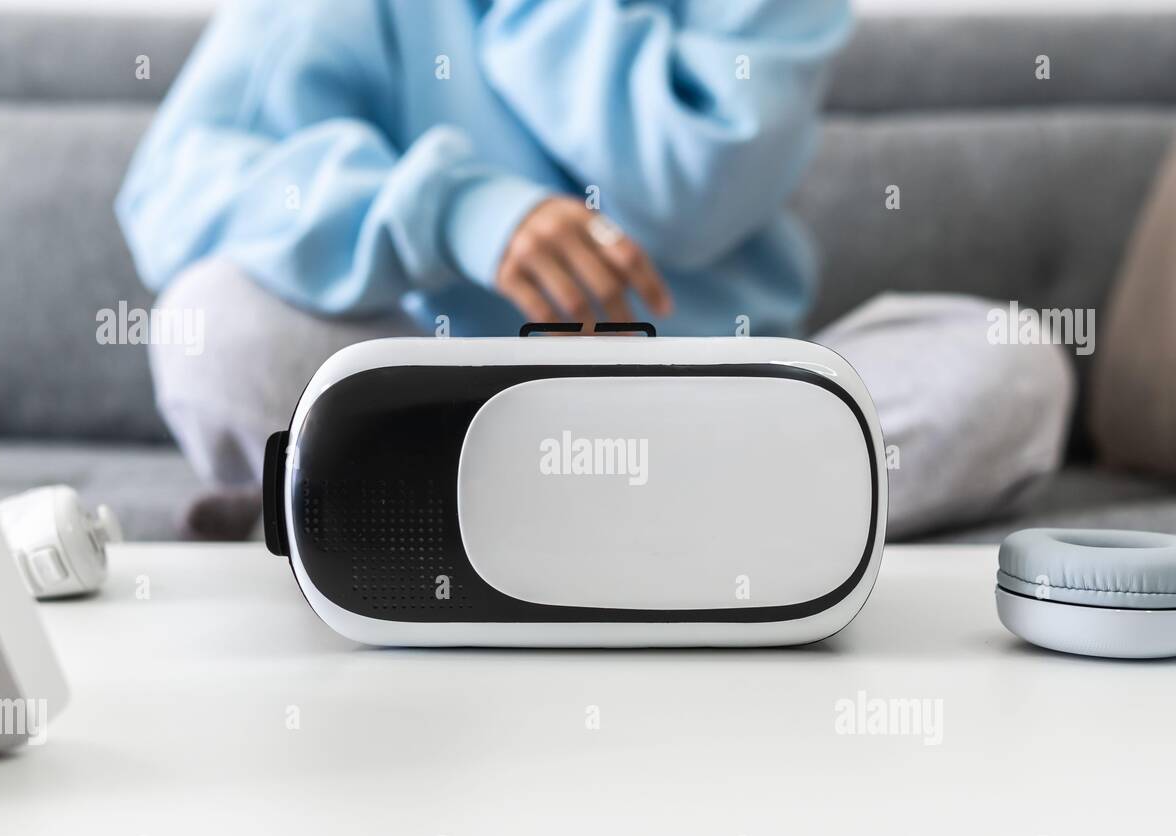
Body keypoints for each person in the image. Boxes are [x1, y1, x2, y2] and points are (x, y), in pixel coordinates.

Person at [118, 0, 1071, 540]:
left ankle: (420, 525)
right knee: (214, 323)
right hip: (439, 403)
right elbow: (173, 190)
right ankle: (669, 543)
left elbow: (690, 181)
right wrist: (452, 211)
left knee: (1008, 365)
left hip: (712, 406)